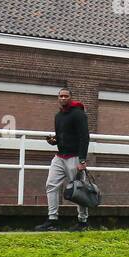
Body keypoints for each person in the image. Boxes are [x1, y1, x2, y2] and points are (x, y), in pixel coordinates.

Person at [37, 87, 91, 231]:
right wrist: (54, 141)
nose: (63, 98)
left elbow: (84, 138)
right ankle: (52, 220)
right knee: (51, 185)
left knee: (79, 190)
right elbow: (62, 136)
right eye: (60, 96)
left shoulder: (79, 114)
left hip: (75, 158)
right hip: (60, 157)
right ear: (58, 98)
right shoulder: (58, 116)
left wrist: (82, 160)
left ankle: (83, 222)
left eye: (66, 96)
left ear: (70, 98)